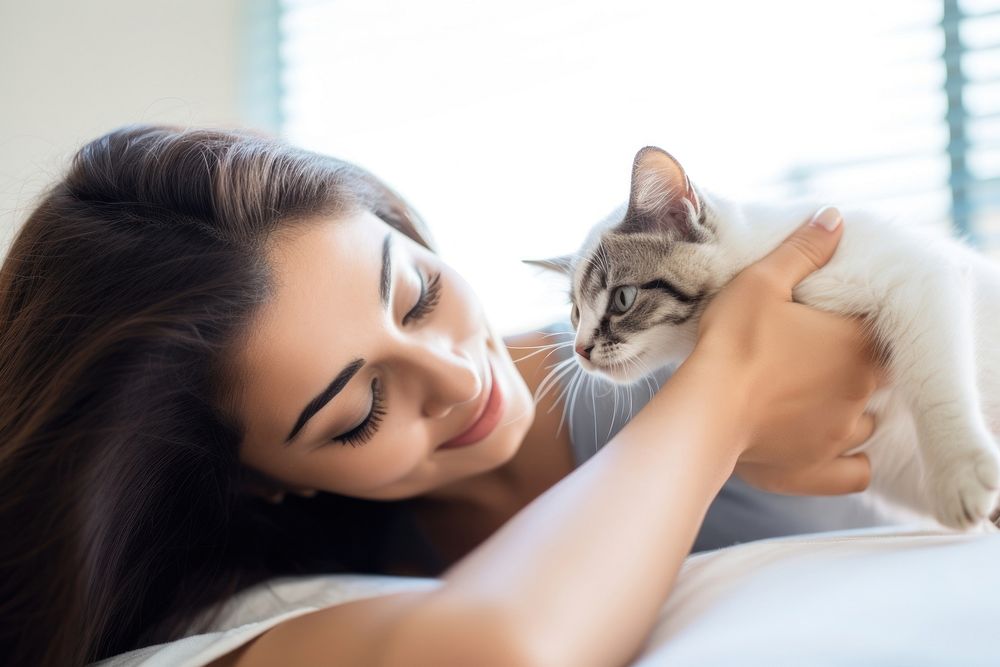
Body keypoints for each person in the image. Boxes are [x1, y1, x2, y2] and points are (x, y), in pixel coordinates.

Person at [0, 125, 890, 667]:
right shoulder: (313, 598)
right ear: (260, 479)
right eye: (359, 412)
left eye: (419, 293)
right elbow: (500, 649)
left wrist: (714, 367)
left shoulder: (714, 333)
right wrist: (725, 394)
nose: (461, 379)